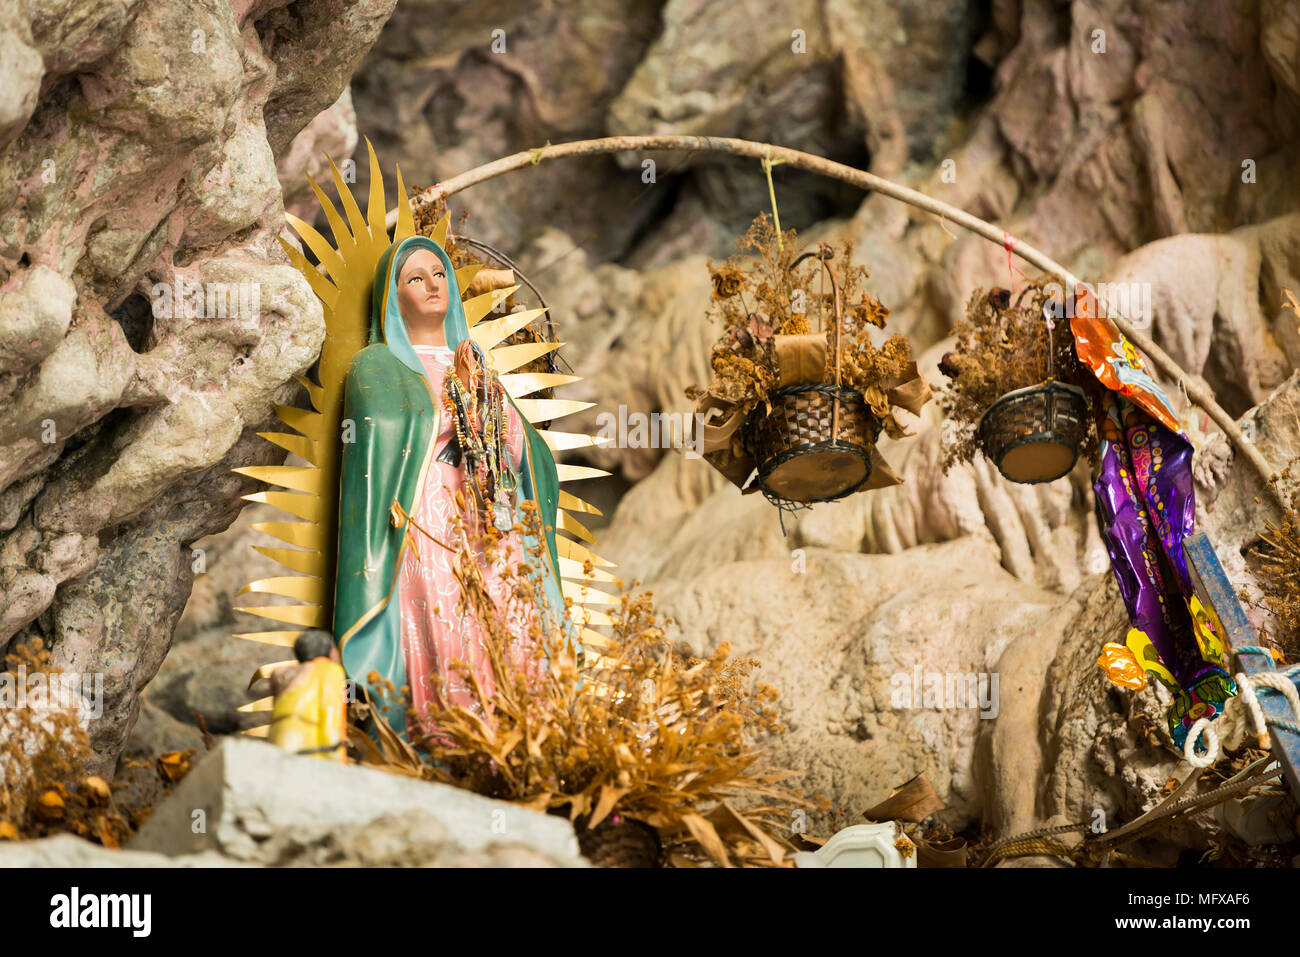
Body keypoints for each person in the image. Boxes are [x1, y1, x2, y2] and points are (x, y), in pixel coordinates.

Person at [332, 236, 571, 745]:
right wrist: (451, 405)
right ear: (392, 298)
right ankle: (449, 741)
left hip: (493, 517)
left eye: (439, 273)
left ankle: (521, 738)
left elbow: (523, 448)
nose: (432, 284)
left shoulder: (476, 362)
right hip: (428, 518)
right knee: (448, 623)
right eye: (414, 278)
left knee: (510, 618)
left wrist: (487, 402)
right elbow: (381, 443)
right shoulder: (377, 365)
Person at [267, 632, 347, 760]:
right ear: (330, 652)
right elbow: (330, 712)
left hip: (277, 735)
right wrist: (336, 753)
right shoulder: (330, 670)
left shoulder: (288, 674)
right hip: (307, 738)